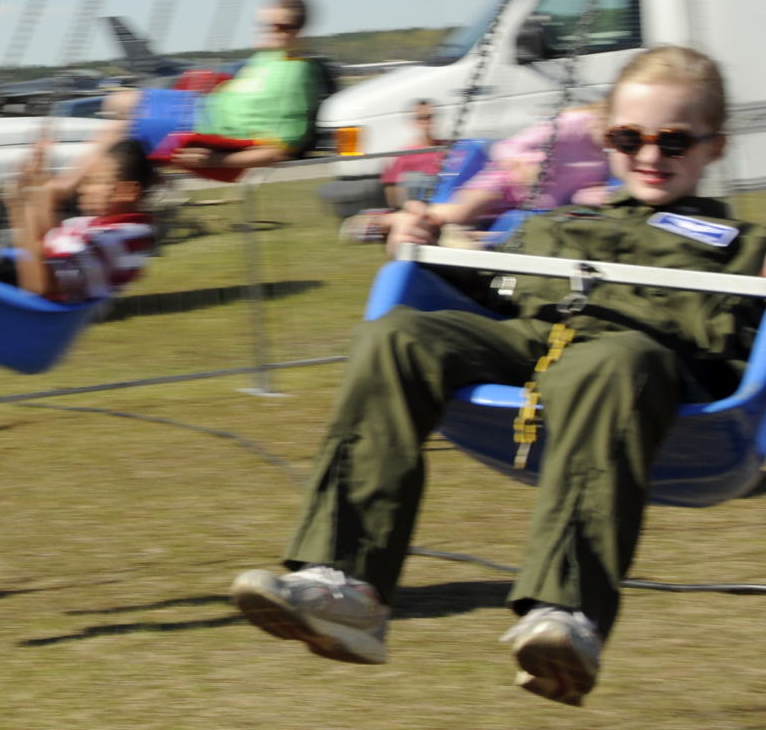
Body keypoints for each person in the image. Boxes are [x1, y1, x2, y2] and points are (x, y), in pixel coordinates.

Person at [229, 46, 762, 706]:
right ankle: (347, 583)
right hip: (536, 339)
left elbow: (733, 333)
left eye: (674, 141)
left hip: (650, 368)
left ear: (713, 147)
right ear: (606, 138)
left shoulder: (740, 248)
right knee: (398, 335)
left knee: (612, 360)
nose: (650, 156)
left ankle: (567, 615)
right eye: (630, 138)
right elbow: (499, 283)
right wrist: (429, 240)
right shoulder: (564, 223)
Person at [136, 0, 325, 182]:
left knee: (121, 132)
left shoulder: (298, 77)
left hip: (207, 132)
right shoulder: (267, 57)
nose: (266, 30)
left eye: (279, 27)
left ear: (297, 31)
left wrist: (219, 159)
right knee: (123, 102)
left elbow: (279, 152)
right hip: (200, 106)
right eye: (263, 24)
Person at [0, 100, 159, 303]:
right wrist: (39, 186)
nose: (83, 189)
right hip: (12, 278)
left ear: (127, 191)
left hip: (10, 301)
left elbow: (41, 286)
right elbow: (49, 240)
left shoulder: (114, 239)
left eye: (96, 181)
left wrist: (19, 210)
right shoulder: (108, 228)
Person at [394, 102, 611, 248]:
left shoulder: (608, 157)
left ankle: (461, 239)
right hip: (505, 181)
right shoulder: (573, 125)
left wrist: (603, 197)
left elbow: (582, 192)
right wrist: (521, 166)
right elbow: (506, 147)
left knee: (510, 234)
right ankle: (399, 218)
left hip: (534, 204)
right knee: (461, 212)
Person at [336, 100, 447, 243]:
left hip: (441, 208)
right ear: (412, 122)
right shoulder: (402, 156)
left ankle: (368, 227)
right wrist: (407, 207)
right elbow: (394, 196)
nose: (426, 122)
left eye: (430, 117)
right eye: (420, 118)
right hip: (415, 209)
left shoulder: (447, 148)